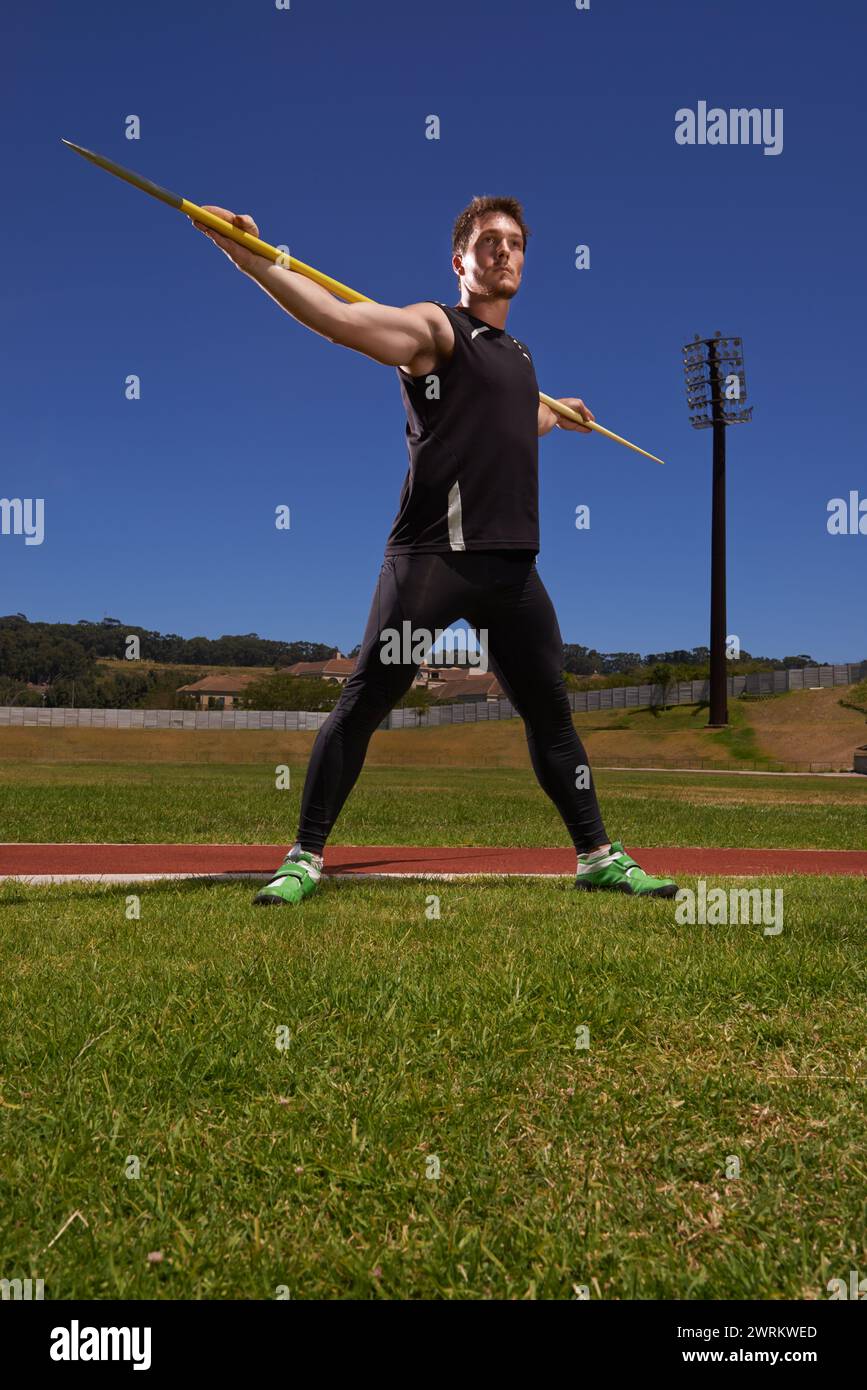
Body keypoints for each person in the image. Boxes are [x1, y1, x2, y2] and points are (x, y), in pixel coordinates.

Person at [193, 195, 678, 905]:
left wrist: (557, 411)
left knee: (551, 716)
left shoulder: (517, 356)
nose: (503, 252)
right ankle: (304, 855)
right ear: (461, 260)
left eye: (513, 242)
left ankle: (597, 856)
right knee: (363, 704)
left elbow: (515, 416)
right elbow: (341, 321)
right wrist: (247, 256)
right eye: (488, 242)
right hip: (432, 563)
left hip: (511, 570)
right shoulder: (433, 328)